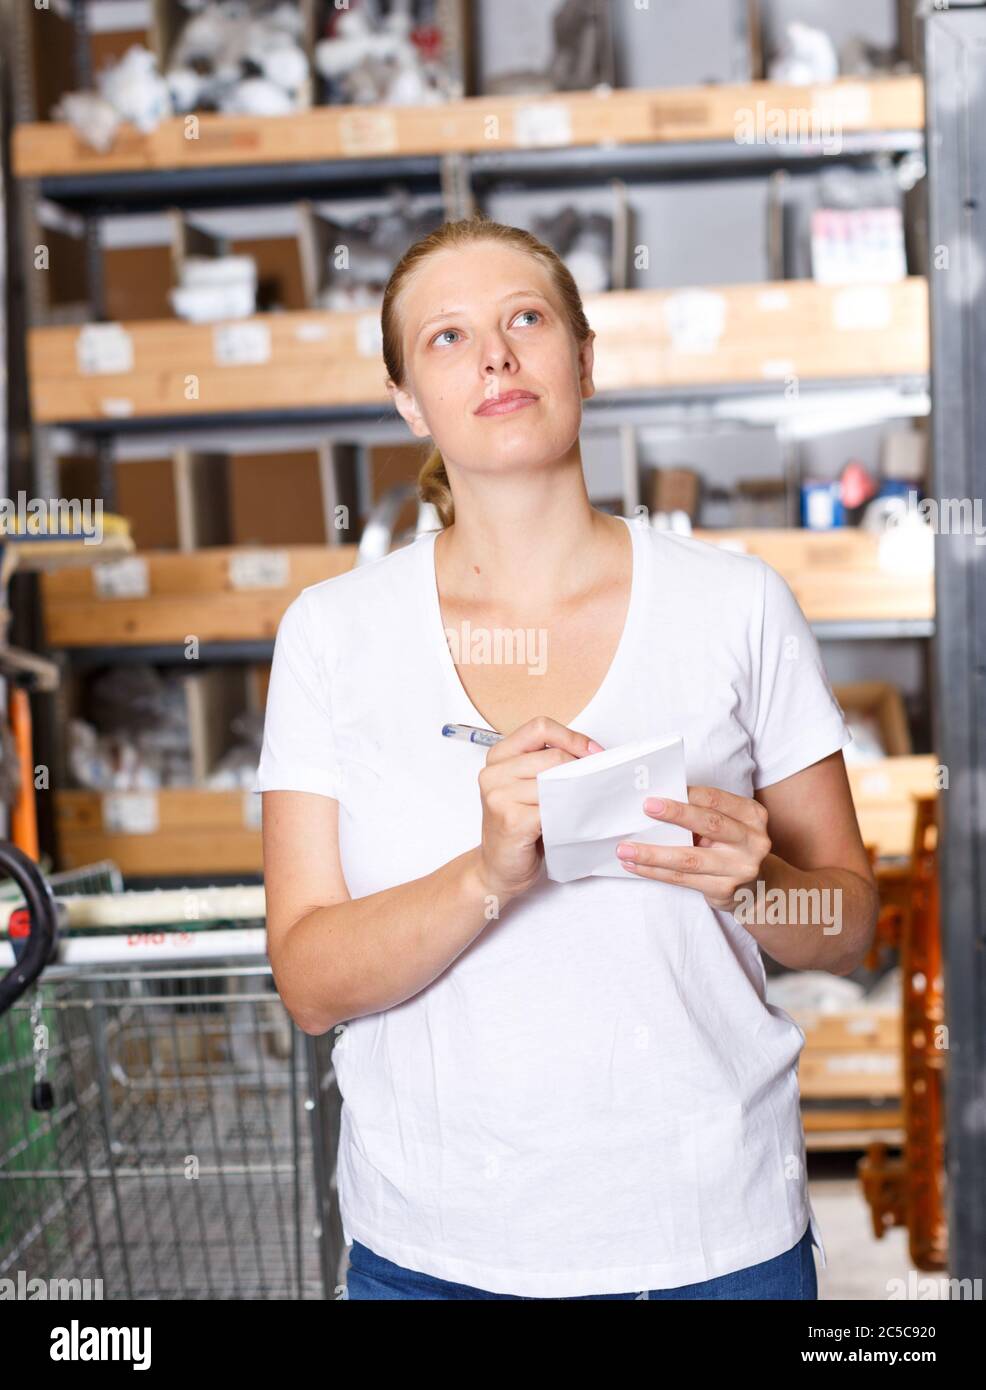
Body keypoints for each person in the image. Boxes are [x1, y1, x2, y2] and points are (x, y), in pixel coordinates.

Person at [256, 214, 879, 1300]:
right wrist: (484, 875)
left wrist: (762, 886)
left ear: (583, 359)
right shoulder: (332, 634)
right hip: (434, 1256)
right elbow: (308, 983)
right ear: (408, 398)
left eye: (524, 319)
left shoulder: (734, 606)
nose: (493, 355)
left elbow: (849, 927)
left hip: (710, 1244)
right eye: (446, 338)